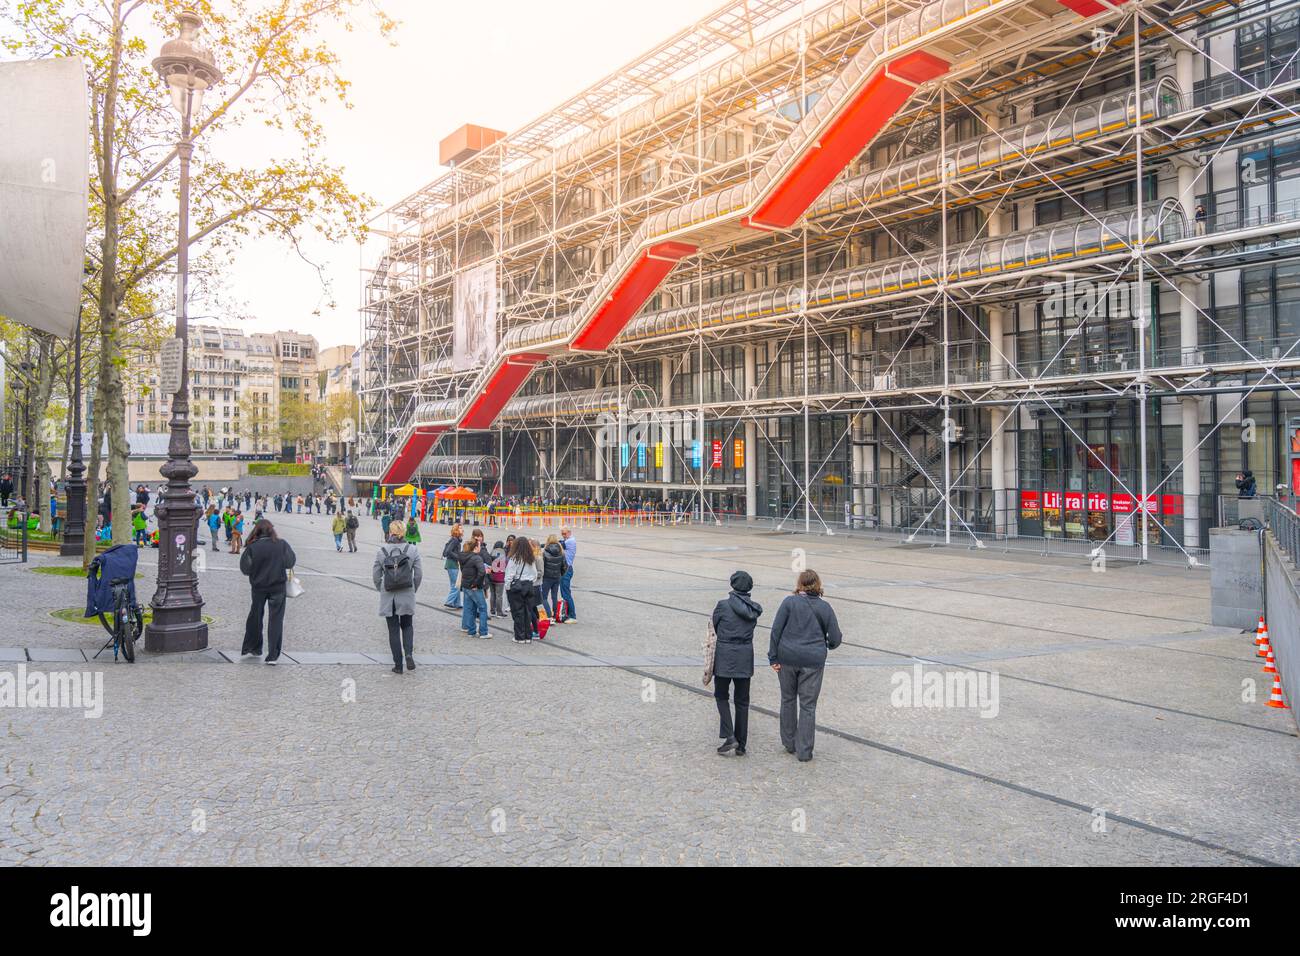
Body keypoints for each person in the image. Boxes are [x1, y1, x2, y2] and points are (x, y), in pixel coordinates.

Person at [768, 569, 842, 762]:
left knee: (787, 699)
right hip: (812, 661)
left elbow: (776, 630)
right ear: (818, 584)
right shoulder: (825, 607)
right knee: (808, 706)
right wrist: (826, 646)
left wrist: (773, 658)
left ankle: (789, 742)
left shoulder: (789, 603)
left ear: (799, 584)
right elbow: (836, 638)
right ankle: (804, 751)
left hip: (787, 658)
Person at [711, 571, 763, 757]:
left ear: (732, 585)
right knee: (742, 701)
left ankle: (730, 735)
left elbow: (715, 627)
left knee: (721, 696)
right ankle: (741, 744)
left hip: (724, 656)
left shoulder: (722, 606)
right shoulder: (754, 610)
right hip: (744, 658)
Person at [239, 519, 297, 665]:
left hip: (258, 588)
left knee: (255, 616)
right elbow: (290, 562)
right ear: (272, 530)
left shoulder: (253, 546)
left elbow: (245, 569)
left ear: (257, 531)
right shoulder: (282, 544)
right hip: (277, 587)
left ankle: (253, 647)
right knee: (276, 620)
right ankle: (272, 655)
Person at [373, 519, 422, 674]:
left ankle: (398, 665)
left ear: (390, 532)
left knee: (393, 630)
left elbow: (375, 575)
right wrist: (413, 588)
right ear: (404, 532)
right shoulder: (412, 550)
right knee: (407, 626)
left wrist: (381, 588)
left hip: (389, 596)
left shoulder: (382, 551)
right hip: (407, 594)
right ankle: (408, 654)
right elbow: (419, 574)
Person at [503, 536, 539, 645]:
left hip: (517, 587)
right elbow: (535, 574)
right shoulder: (531, 558)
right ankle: (528, 636)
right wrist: (529, 582)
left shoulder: (514, 558)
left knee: (518, 612)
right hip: (529, 586)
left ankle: (519, 636)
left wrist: (508, 587)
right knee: (527, 612)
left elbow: (509, 575)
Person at [458, 538, 491, 639]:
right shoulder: (477, 558)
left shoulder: (463, 556)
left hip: (466, 585)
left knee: (470, 608)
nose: (480, 547)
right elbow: (482, 572)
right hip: (474, 587)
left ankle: (471, 631)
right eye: (479, 545)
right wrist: (476, 584)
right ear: (476, 547)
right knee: (482, 608)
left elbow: (463, 570)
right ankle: (483, 632)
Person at [540, 533, 566, 622]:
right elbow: (564, 566)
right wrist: (560, 574)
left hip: (547, 577)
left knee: (543, 597)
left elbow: (542, 566)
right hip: (557, 577)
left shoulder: (545, 552)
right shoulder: (561, 552)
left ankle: (548, 615)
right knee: (554, 597)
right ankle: (555, 615)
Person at [441, 524, 464, 609]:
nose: (462, 530)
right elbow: (448, 551)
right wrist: (458, 557)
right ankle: (449, 602)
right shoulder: (455, 540)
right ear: (456, 530)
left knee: (455, 584)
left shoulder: (456, 539)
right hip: (452, 564)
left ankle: (457, 603)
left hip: (451, 564)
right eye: (460, 528)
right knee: (456, 585)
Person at [559, 527, 577, 623]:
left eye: (565, 533)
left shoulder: (570, 541)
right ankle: (567, 614)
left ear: (569, 532)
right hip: (565, 569)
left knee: (566, 593)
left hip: (566, 569)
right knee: (564, 593)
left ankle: (572, 616)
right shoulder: (568, 540)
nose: (563, 535)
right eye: (562, 533)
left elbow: (558, 544)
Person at [488, 540, 508, 617]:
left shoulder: (491, 554)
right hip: (500, 578)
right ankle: (499, 612)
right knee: (499, 595)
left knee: (492, 594)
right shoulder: (502, 556)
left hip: (491, 577)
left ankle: (492, 611)